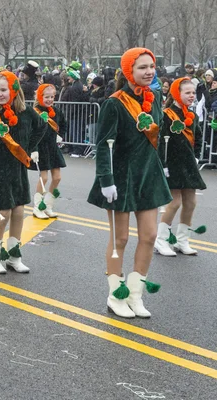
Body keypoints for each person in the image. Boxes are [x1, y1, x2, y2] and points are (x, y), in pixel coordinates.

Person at [87, 48, 169, 319]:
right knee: (120, 238)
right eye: (142, 67)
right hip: (121, 177)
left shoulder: (156, 97)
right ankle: (115, 294)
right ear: (128, 72)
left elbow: (157, 137)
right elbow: (103, 146)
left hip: (148, 175)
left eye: (151, 66)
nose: (149, 72)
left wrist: (164, 166)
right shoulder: (114, 103)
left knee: (149, 235)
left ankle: (135, 294)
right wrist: (106, 180)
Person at [0, 71, 46, 274]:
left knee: (19, 211)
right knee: (4, 213)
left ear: (13, 90)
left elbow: (41, 127)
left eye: (3, 90)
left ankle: (13, 256)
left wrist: (28, 148)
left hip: (18, 168)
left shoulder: (27, 112)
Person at [154, 77, 206, 257]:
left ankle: (182, 240)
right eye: (187, 93)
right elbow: (161, 142)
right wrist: (163, 164)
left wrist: (196, 157)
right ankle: (161, 240)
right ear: (177, 93)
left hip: (188, 163)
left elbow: (198, 138)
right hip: (172, 163)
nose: (192, 96)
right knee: (174, 202)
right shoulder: (167, 114)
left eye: (193, 93)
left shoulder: (193, 115)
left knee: (191, 202)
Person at [29, 84, 67, 219]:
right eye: (47, 97)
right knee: (43, 178)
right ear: (40, 97)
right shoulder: (34, 112)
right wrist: (33, 149)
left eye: (52, 97)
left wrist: (60, 135)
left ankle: (48, 205)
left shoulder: (56, 111)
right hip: (40, 149)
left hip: (52, 147)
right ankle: (38, 207)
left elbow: (63, 124)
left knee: (57, 178)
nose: (50, 99)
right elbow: (30, 132)